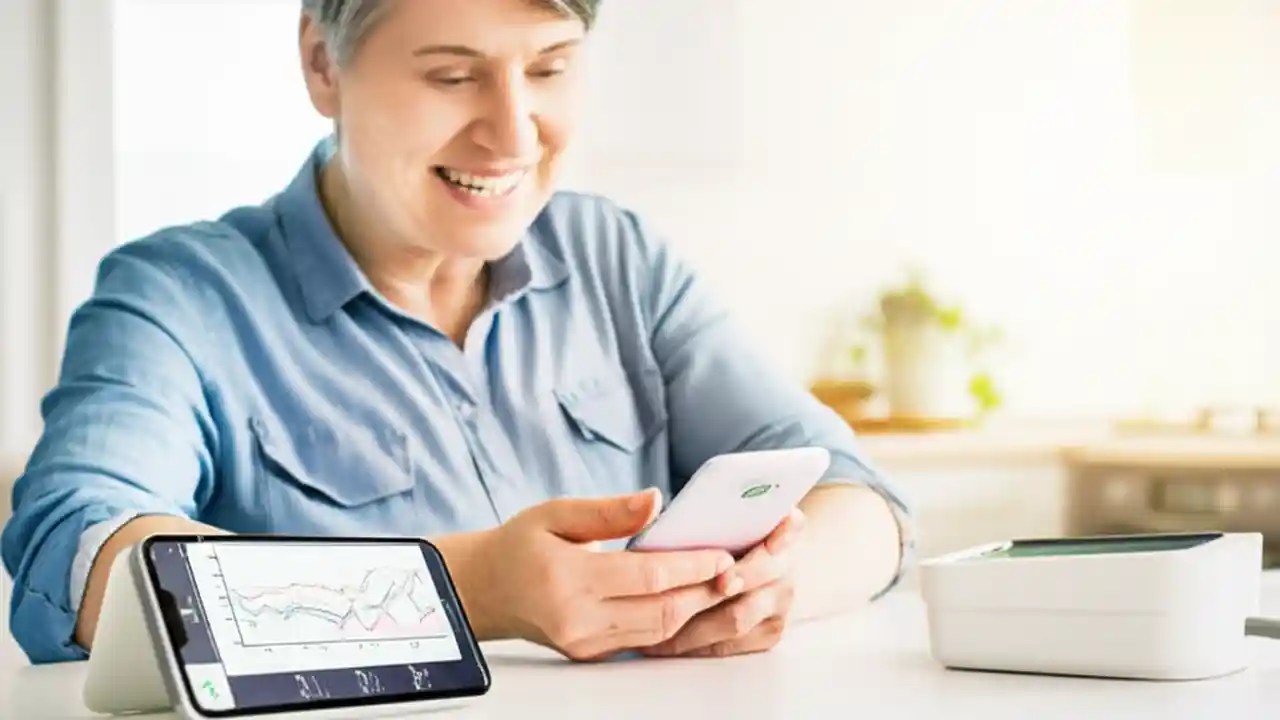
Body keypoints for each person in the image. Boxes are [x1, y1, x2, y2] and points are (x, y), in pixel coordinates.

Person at [1, 0, 912, 665]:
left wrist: (776, 586)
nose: (512, 134)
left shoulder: (616, 257)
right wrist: (472, 590)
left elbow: (861, 499)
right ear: (323, 63)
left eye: (550, 68)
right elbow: (85, 563)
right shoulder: (179, 297)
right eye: (451, 76)